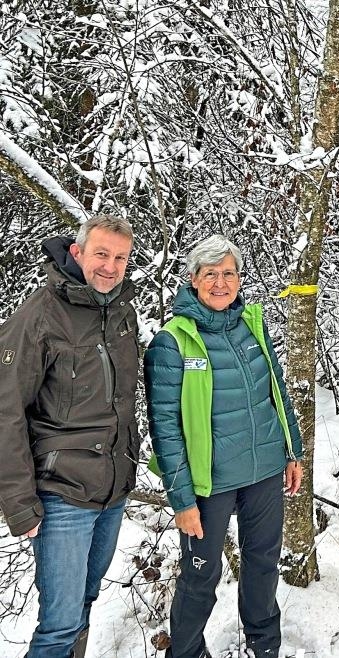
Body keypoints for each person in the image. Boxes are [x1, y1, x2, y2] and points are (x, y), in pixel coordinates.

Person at [144, 235, 303, 658]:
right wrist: (181, 500)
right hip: (207, 485)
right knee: (200, 577)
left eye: (228, 273)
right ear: (194, 280)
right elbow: (165, 428)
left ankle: (264, 646)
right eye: (211, 274)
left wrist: (292, 451)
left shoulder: (253, 324)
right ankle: (187, 651)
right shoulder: (172, 341)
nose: (220, 283)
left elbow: (276, 388)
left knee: (263, 566)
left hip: (265, 471)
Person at [0, 215, 139, 658]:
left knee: (83, 606)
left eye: (120, 257)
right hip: (62, 496)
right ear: (77, 253)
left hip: (113, 491)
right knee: (59, 625)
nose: (110, 266)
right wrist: (20, 504)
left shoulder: (121, 311)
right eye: (101, 253)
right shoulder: (39, 315)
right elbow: (5, 412)